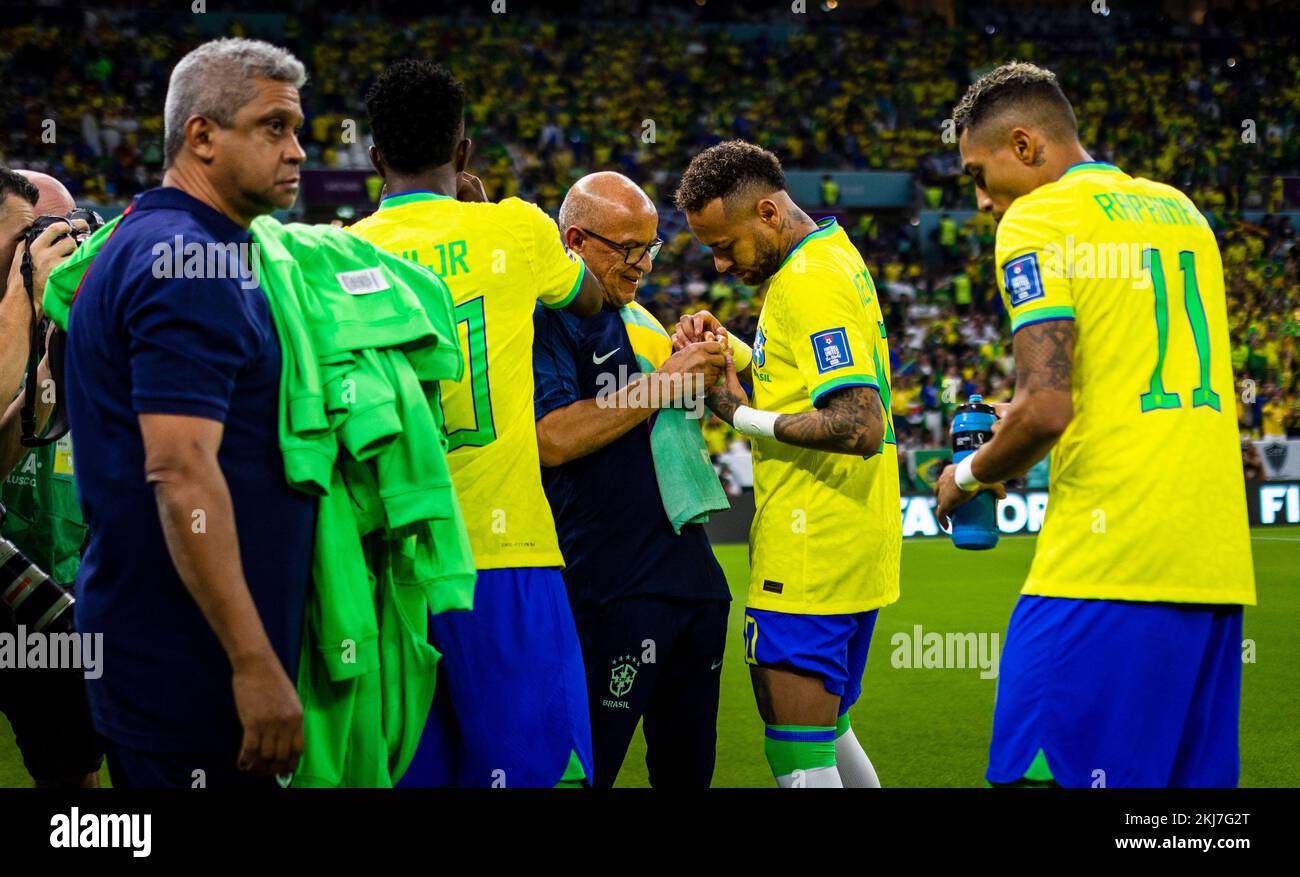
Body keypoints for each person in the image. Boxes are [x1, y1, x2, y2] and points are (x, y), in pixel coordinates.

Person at [936, 61, 1255, 787]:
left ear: (1025, 145)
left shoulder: (1037, 219)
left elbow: (1047, 406)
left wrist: (966, 473)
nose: (984, 202)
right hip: (1214, 569)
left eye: (980, 176)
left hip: (1108, 569)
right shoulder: (1182, 212)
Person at [64, 38, 316, 788]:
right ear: (202, 135)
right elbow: (180, 470)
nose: (299, 151)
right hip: (193, 672)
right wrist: (252, 661)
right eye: (273, 128)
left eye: (298, 129)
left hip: (161, 652)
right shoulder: (187, 263)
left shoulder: (159, 239)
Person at [349, 59, 604, 788]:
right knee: (533, 774)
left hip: (390, 569)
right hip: (504, 555)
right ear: (463, 154)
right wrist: (491, 216)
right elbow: (587, 299)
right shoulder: (517, 229)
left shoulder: (339, 254)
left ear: (375, 161)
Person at [675, 140, 901, 788]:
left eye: (726, 245)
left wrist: (734, 412)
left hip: (809, 553)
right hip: (852, 541)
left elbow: (860, 424)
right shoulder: (832, 256)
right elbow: (800, 376)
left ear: (768, 212)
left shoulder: (809, 282)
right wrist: (737, 353)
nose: (720, 264)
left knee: (798, 754)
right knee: (829, 732)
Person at [533, 171, 731, 787]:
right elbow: (553, 438)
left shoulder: (643, 318)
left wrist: (702, 356)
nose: (643, 263)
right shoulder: (546, 317)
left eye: (651, 247)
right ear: (574, 240)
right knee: (592, 765)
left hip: (695, 582)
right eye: (628, 249)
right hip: (613, 586)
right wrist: (670, 379)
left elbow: (676, 416)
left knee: (687, 772)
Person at [0, 167, 101, 788]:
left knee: (71, 774)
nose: (52, 246)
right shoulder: (20, 306)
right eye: (35, 233)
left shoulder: (67, 330)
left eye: (66, 231)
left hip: (45, 573)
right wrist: (21, 298)